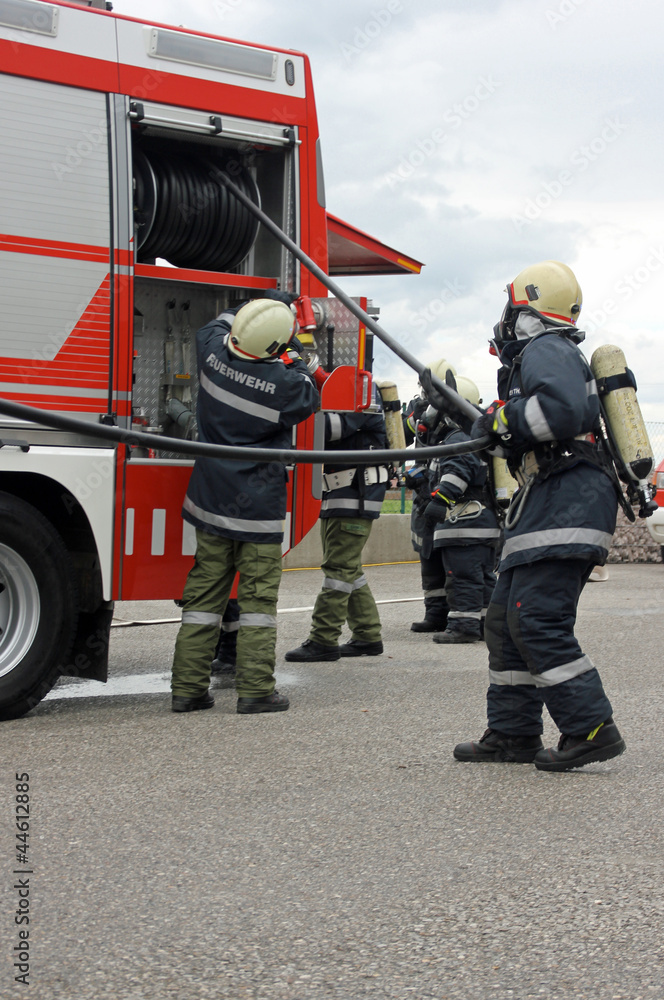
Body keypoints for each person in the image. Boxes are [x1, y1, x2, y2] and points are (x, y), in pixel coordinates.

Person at [454, 260, 625, 771]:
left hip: (567, 500)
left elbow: (563, 412)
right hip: (550, 500)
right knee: (506, 621)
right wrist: (493, 425)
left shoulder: (546, 348)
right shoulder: (542, 356)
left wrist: (501, 417)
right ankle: (513, 734)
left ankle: (591, 729)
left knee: (536, 619)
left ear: (524, 310)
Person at [171, 296, 318, 714]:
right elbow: (308, 388)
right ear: (274, 347)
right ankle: (255, 692)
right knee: (256, 604)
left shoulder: (211, 351)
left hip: (210, 502)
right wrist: (293, 350)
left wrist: (258, 308)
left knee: (203, 600)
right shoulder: (286, 386)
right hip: (257, 512)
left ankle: (187, 690)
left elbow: (216, 324)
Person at [285, 407, 389, 662]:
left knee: (339, 571)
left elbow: (326, 429)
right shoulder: (357, 397)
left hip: (353, 497)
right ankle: (367, 634)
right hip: (340, 496)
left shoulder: (363, 397)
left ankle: (323, 639)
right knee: (349, 569)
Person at [424, 376, 501, 643]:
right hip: (483, 524)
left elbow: (457, 471)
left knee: (463, 577)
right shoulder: (477, 436)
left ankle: (463, 627)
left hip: (465, 524)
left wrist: (440, 500)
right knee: (483, 578)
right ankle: (486, 625)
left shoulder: (458, 438)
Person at [403, 359, 456, 634]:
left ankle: (461, 614)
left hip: (452, 495)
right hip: (425, 491)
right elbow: (405, 436)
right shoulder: (419, 411)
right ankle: (435, 614)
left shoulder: (460, 411)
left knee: (455, 558)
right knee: (428, 554)